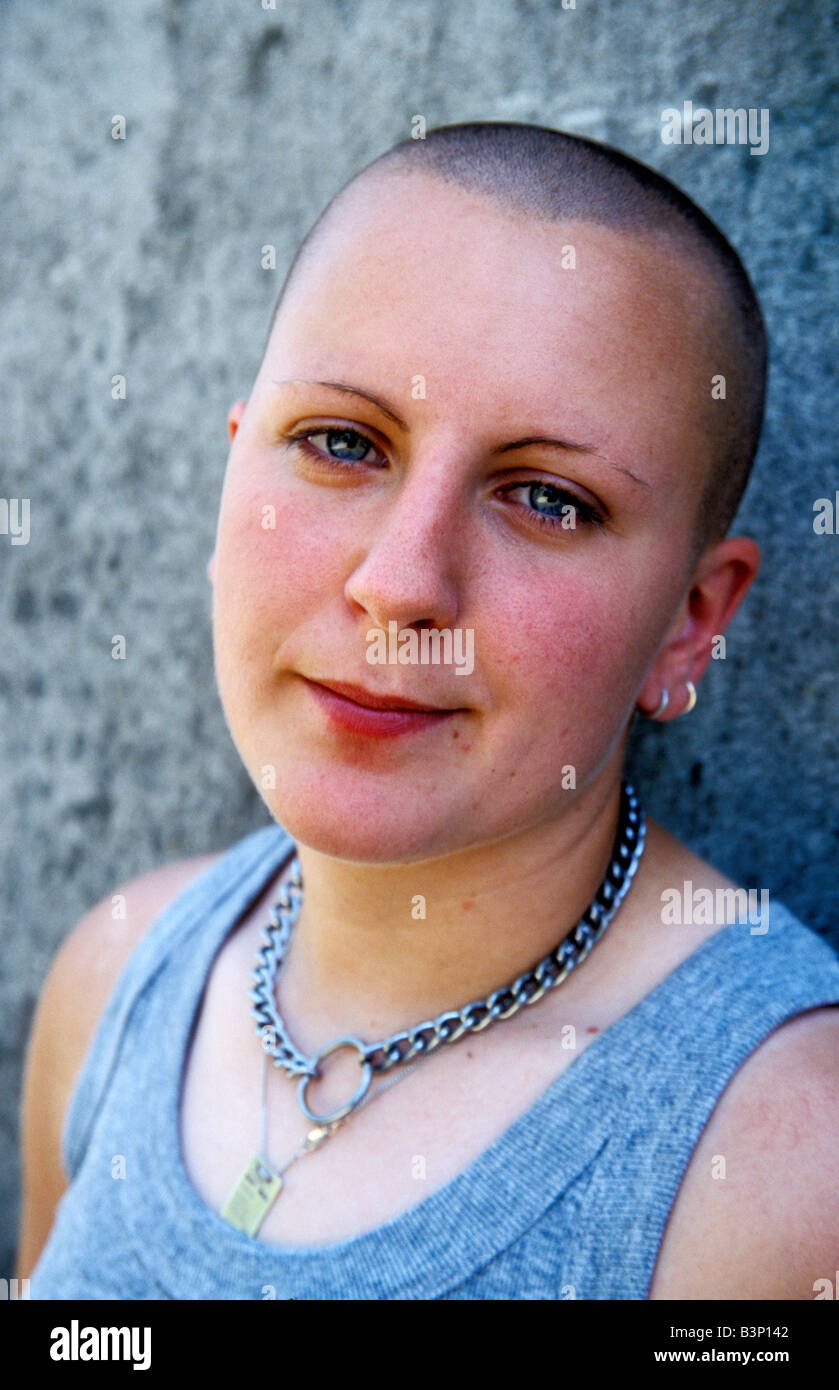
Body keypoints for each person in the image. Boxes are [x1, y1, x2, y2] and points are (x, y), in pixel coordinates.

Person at [17, 122, 839, 1301]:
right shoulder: (119, 976)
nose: (401, 582)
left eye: (546, 500)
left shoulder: (775, 1159)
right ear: (233, 477)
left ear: (689, 622)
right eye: (342, 442)